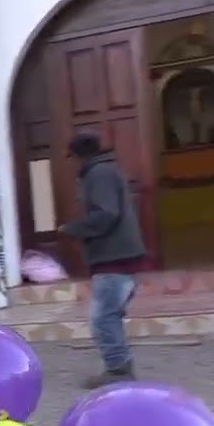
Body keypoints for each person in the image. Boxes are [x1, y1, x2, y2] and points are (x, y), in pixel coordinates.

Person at [57, 131, 145, 389]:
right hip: (119, 258)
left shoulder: (99, 174)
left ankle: (118, 370)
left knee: (102, 317)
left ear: (80, 155)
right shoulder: (107, 171)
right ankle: (120, 366)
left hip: (113, 258)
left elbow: (107, 214)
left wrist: (74, 229)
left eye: (73, 158)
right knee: (109, 315)